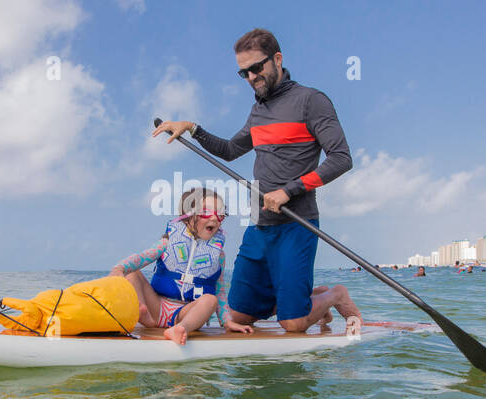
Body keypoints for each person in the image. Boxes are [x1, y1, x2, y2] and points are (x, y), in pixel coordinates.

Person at [153, 28, 361, 334]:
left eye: (257, 68)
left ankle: (334, 296)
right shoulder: (258, 111)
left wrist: (289, 191)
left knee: (291, 325)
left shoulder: (311, 101)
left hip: (296, 223)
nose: (251, 77)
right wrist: (193, 129)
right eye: (244, 73)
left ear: (277, 59)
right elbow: (230, 150)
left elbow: (342, 158)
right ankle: (298, 300)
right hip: (258, 225)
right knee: (235, 318)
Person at [110, 189, 251, 345]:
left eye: (221, 214)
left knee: (211, 300)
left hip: (184, 313)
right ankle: (142, 312)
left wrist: (227, 321)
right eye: (206, 212)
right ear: (188, 215)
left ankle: (180, 328)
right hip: (156, 306)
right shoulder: (168, 242)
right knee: (133, 274)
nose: (215, 218)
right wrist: (119, 268)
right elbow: (141, 258)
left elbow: (219, 290)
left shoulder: (218, 255)